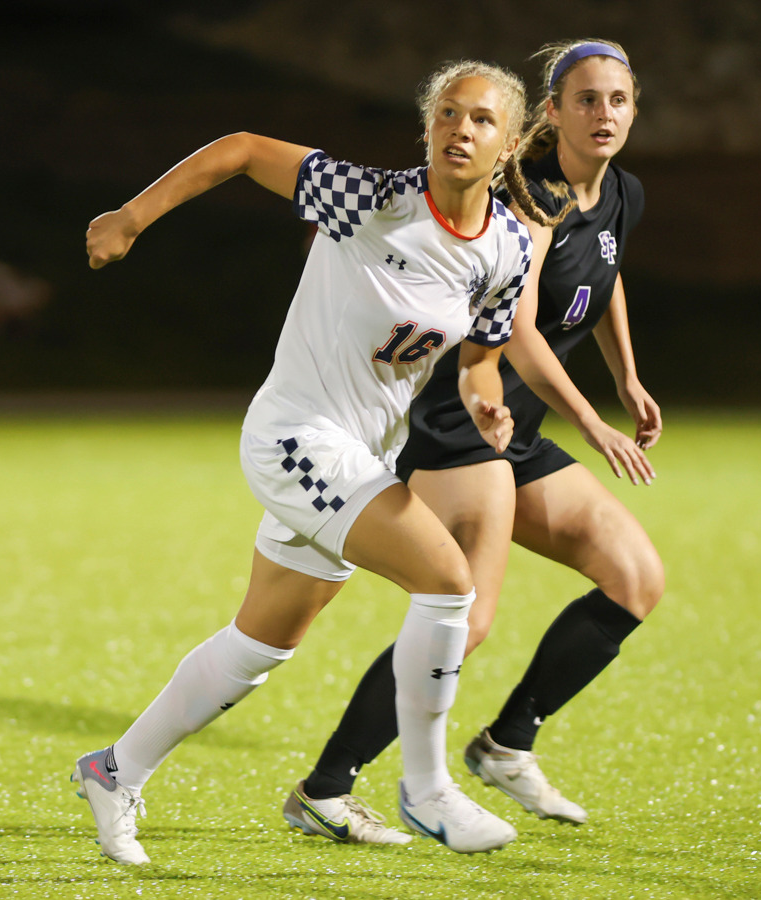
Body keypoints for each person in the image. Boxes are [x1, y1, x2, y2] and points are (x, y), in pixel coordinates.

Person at [71, 60, 575, 865]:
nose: (461, 129)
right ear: (428, 125)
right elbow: (238, 149)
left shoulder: (509, 247)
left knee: (260, 644)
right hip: (296, 437)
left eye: (481, 120)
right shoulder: (372, 198)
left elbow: (480, 358)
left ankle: (113, 770)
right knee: (448, 583)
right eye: (448, 113)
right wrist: (131, 217)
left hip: (362, 454)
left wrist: (486, 398)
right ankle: (427, 789)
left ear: (510, 143)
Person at [285, 38, 665, 841]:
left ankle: (506, 743)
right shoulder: (529, 196)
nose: (604, 114)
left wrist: (626, 373)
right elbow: (517, 330)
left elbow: (609, 272)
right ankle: (326, 787)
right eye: (587, 99)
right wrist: (592, 421)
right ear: (552, 110)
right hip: (466, 423)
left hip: (518, 431)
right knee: (467, 616)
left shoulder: (621, 192)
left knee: (634, 577)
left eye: (619, 101)